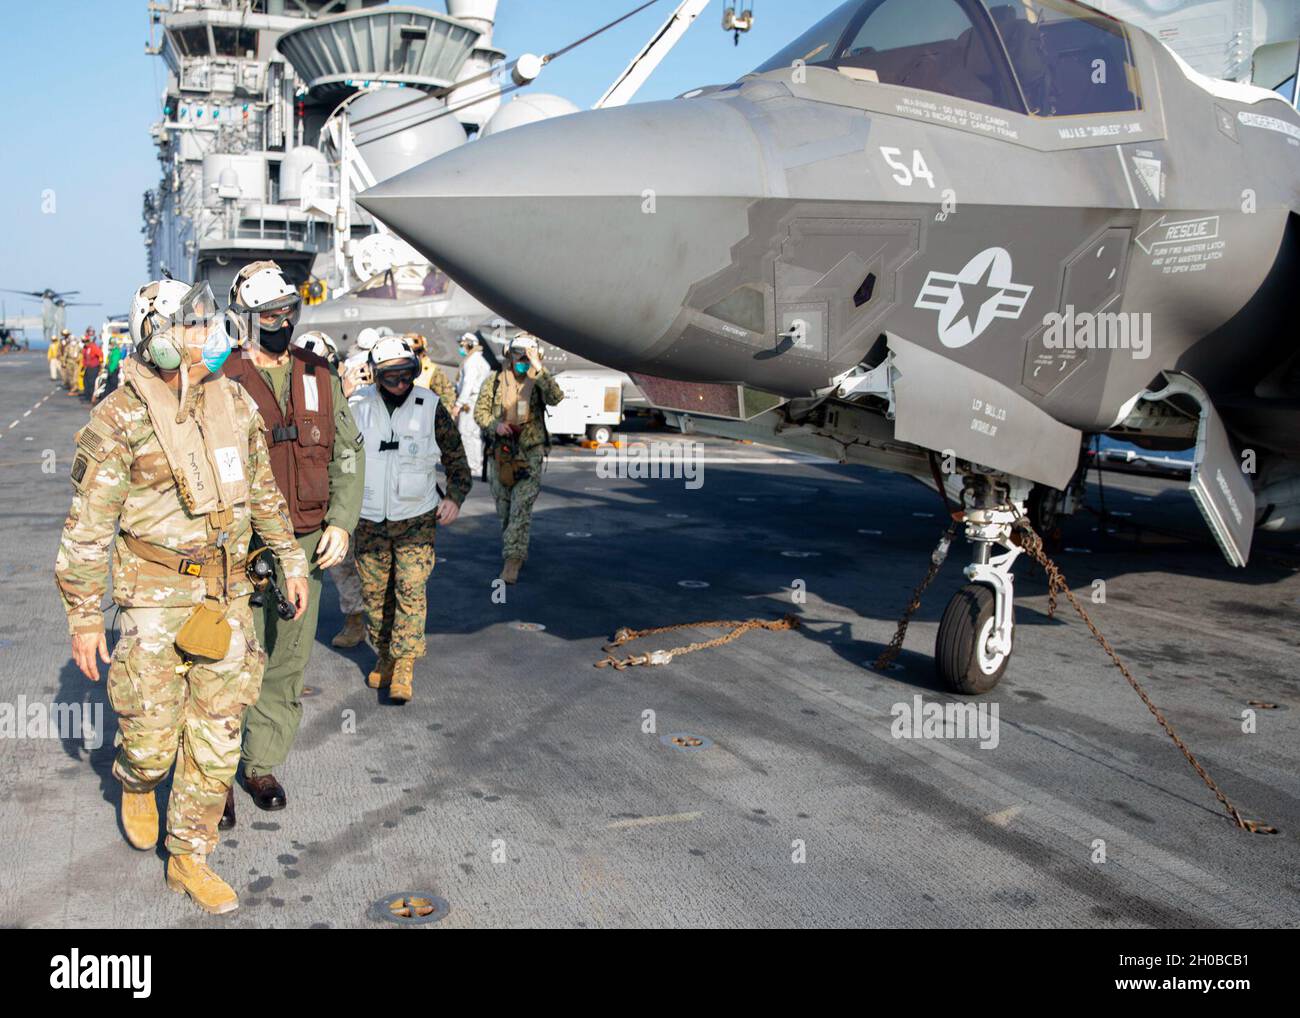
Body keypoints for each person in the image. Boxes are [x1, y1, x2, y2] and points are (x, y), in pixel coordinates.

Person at [55, 277, 309, 915]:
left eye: (207, 324)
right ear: (154, 335)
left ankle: (189, 856)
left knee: (219, 734)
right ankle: (135, 779)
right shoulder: (119, 416)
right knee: (151, 740)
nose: (205, 337)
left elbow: (261, 491)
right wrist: (86, 616)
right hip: (151, 597)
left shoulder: (235, 403)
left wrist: (289, 558)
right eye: (189, 327)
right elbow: (88, 524)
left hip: (226, 594)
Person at [222, 263, 363, 825]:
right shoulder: (222, 378)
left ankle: (259, 763)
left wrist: (342, 522)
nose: (281, 321)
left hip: (306, 544)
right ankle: (215, 776)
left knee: (285, 659)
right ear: (245, 320)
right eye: (269, 314)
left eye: (287, 311)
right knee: (229, 663)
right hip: (239, 548)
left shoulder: (319, 375)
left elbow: (348, 454)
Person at [350, 335, 471, 702]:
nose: (401, 384)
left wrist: (454, 497)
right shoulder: (357, 405)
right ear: (376, 375)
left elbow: (456, 459)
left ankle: (404, 663)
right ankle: (384, 654)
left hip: (416, 517)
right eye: (391, 378)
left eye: (407, 376)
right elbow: (337, 459)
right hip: (369, 517)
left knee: (410, 590)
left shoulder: (429, 405)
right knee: (374, 595)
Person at [474, 335, 564, 584]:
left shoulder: (538, 381)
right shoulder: (494, 382)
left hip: (530, 453)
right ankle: (514, 547)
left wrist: (539, 367)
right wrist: (495, 426)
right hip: (501, 455)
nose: (522, 360)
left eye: (527, 355)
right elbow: (480, 412)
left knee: (521, 508)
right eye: (518, 355)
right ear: (508, 355)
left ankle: (512, 560)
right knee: (504, 509)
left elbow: (556, 397)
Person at [453, 331, 491, 478]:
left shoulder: (472, 362)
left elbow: (468, 385)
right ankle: (475, 465)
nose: (462, 348)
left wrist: (458, 403)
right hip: (477, 401)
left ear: (469, 345)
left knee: (467, 434)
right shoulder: (480, 360)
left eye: (463, 345)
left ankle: (473, 466)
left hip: (470, 402)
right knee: (474, 434)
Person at [407, 332, 456, 409]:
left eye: (417, 352)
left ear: (423, 351)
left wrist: (438, 415)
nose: (413, 356)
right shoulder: (399, 370)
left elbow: (447, 395)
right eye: (409, 353)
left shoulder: (432, 371)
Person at [80, 334, 103, 403]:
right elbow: (84, 358)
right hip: (88, 367)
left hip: (94, 368)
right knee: (85, 382)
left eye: (86, 341)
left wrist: (100, 366)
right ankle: (87, 396)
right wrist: (83, 366)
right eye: (84, 341)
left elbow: (100, 355)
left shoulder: (93, 347)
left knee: (91, 383)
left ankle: (91, 397)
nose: (85, 343)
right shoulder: (85, 348)